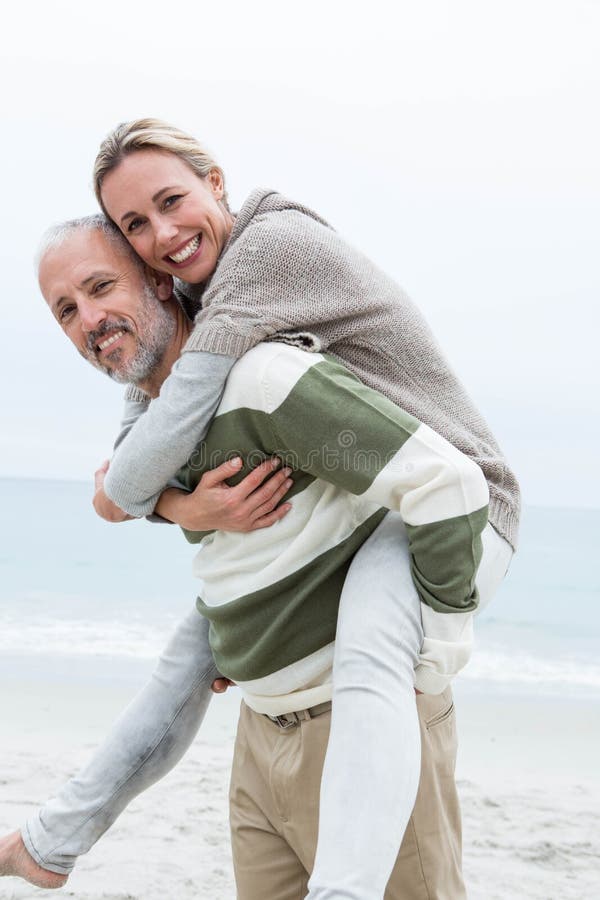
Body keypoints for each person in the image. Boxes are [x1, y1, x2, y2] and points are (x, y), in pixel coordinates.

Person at [0, 214, 513, 899]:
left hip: (362, 733)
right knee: (182, 657)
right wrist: (175, 507)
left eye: (101, 287)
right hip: (259, 738)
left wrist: (438, 647)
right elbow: (116, 489)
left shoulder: (268, 380)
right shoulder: (162, 427)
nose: (89, 318)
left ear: (159, 281)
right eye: (67, 309)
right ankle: (49, 843)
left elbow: (443, 485)